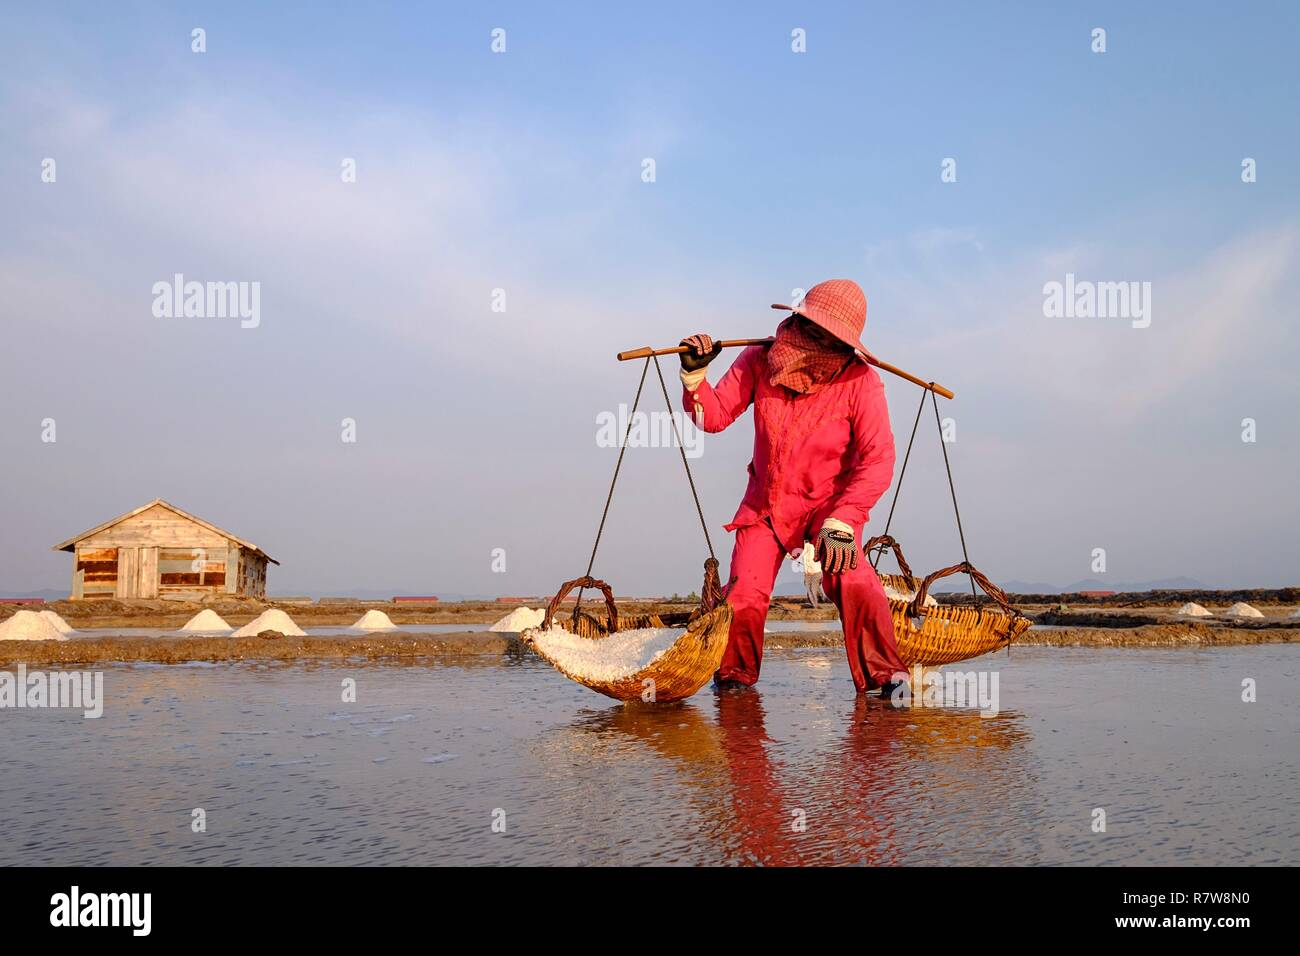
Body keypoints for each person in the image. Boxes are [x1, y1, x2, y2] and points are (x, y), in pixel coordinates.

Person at [679, 278, 907, 696]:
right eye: (812, 327)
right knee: (744, 592)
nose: (817, 339)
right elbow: (712, 417)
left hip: (830, 508)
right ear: (797, 318)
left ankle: (886, 677)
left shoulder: (860, 382)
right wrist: (695, 376)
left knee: (853, 580)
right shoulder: (758, 360)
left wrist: (843, 518)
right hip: (766, 504)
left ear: (845, 344)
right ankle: (734, 680)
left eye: (831, 336)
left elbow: (878, 459)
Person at [799, 541, 825, 608]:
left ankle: (817, 604)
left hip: (816, 572)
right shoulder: (802, 547)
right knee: (810, 590)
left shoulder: (815, 546)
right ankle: (816, 604)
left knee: (812, 590)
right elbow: (796, 555)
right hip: (808, 573)